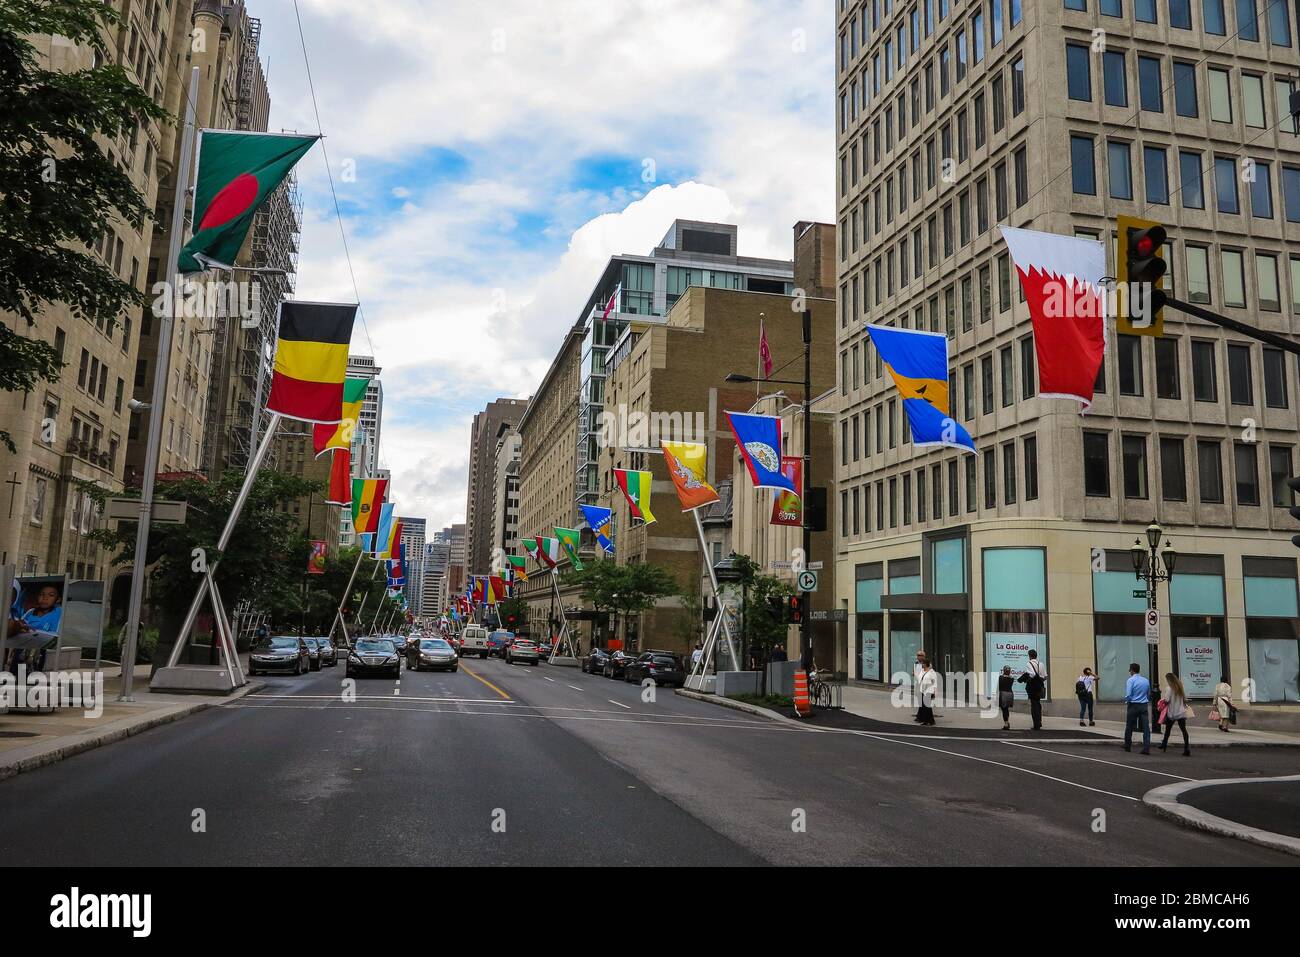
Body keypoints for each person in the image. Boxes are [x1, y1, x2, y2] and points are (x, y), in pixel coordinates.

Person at [1122, 662, 1152, 754]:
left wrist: (1128, 701)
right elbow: (1148, 693)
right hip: (1143, 705)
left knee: (1129, 726)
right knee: (1146, 727)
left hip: (1133, 705)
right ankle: (1146, 747)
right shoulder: (1145, 680)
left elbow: (1128, 694)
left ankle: (1127, 745)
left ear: (1132, 670)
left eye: (1130, 670)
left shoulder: (1130, 680)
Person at [1159, 672, 1191, 756]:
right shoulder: (1180, 687)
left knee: (1168, 730)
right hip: (1181, 712)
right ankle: (1187, 747)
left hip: (1172, 712)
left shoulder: (1169, 688)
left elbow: (1166, 700)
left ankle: (1164, 744)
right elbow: (1184, 699)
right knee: (1184, 730)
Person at [1017, 649, 1047, 730]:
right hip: (1040, 686)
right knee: (1038, 703)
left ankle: (1036, 724)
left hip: (1032, 687)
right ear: (1036, 655)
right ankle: (1039, 721)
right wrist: (1039, 681)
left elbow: (1032, 674)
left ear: (1030, 656)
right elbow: (1045, 677)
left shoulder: (1029, 663)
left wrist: (1028, 679)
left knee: (1034, 705)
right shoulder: (1041, 664)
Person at [916, 654, 938, 726]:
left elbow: (934, 682)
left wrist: (934, 691)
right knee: (925, 706)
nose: (922, 664)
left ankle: (928, 721)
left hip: (929, 690)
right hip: (922, 690)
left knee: (927, 706)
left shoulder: (932, 672)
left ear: (926, 664)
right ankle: (929, 720)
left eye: (923, 663)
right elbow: (919, 679)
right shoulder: (922, 671)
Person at [997, 665, 1015, 731]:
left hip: (1003, 694)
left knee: (1004, 709)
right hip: (1010, 694)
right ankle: (1007, 722)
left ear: (1004, 671)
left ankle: (1006, 723)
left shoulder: (1001, 677)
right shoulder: (1012, 678)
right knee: (1006, 709)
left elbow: (999, 686)